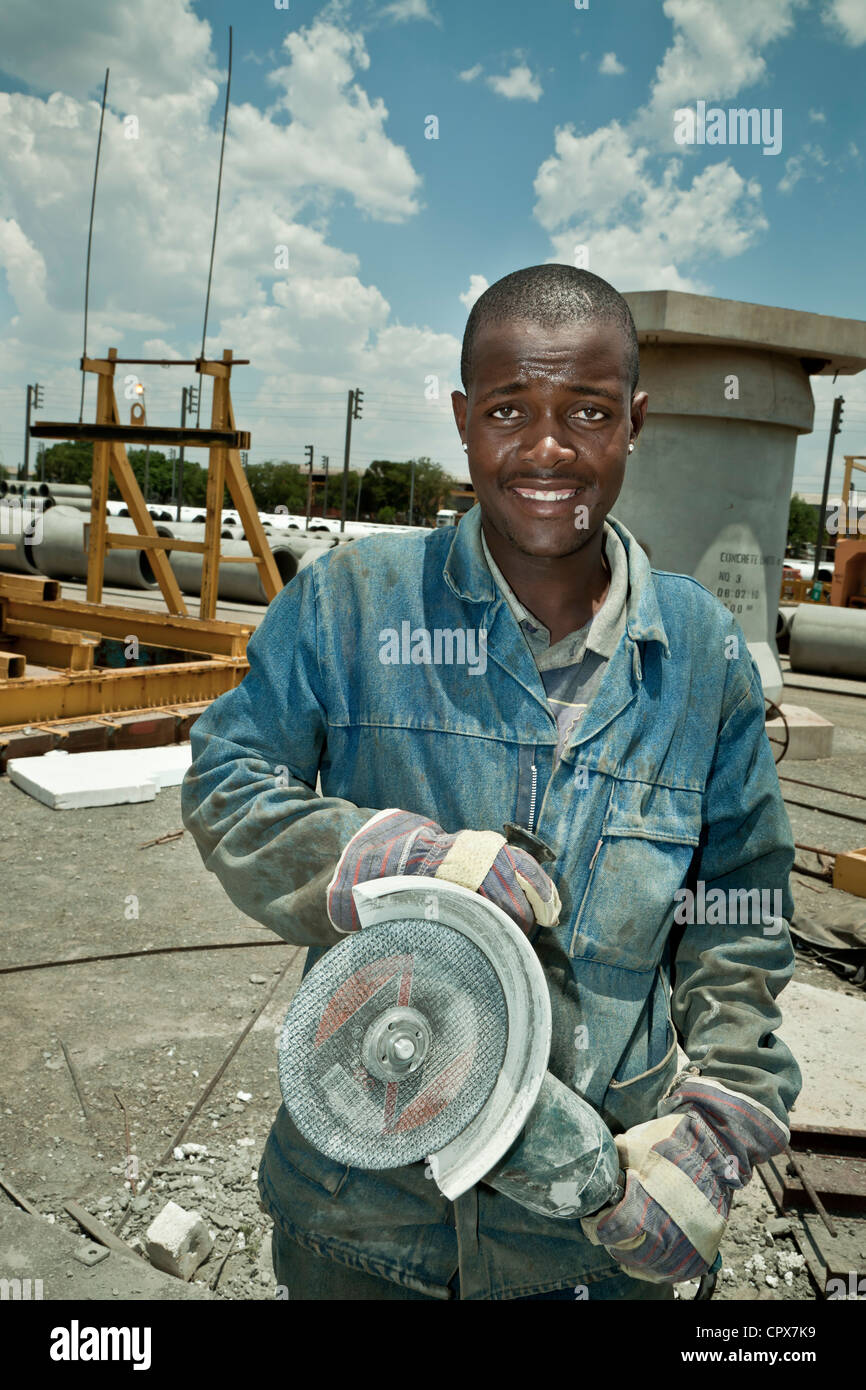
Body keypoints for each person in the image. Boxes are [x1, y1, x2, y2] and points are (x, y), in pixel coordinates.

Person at [181, 264, 801, 1301]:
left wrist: (717, 1127)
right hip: (362, 1217)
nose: (547, 450)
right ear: (464, 421)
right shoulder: (353, 603)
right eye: (509, 410)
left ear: (634, 422)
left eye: (588, 413)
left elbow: (737, 911)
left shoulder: (698, 654)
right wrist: (396, 860)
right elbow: (225, 780)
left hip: (590, 1245)